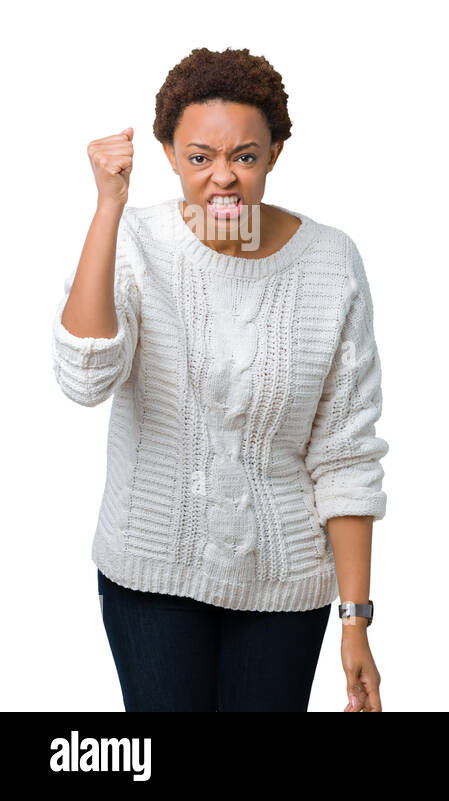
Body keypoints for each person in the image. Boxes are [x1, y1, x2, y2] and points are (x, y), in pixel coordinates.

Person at [53, 47, 388, 712]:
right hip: (151, 576)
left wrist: (356, 617)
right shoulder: (134, 241)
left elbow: (346, 453)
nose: (223, 179)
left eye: (245, 156)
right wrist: (107, 208)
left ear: (275, 152)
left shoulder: (330, 262)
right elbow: (84, 377)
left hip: (285, 584)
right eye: (200, 158)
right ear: (169, 153)